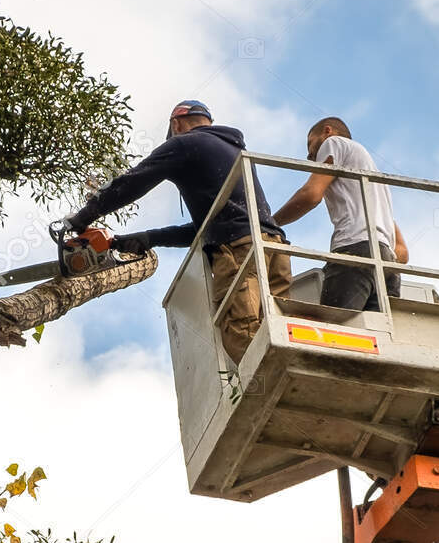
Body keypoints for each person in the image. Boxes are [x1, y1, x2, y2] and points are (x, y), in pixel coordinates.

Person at [56, 99, 290, 364]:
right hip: (274, 248)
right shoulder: (232, 150)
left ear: (176, 124)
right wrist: (147, 238)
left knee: (242, 334)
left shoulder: (183, 143)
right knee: (277, 333)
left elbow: (132, 182)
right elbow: (205, 229)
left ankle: (271, 398)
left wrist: (83, 217)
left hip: (240, 253)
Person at [272, 117, 407, 312]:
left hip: (355, 251)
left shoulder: (333, 143)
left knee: (335, 334)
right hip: (389, 268)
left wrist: (271, 222)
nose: (309, 156)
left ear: (327, 131)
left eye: (310, 144)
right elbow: (402, 251)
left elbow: (311, 195)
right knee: (372, 338)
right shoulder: (377, 185)